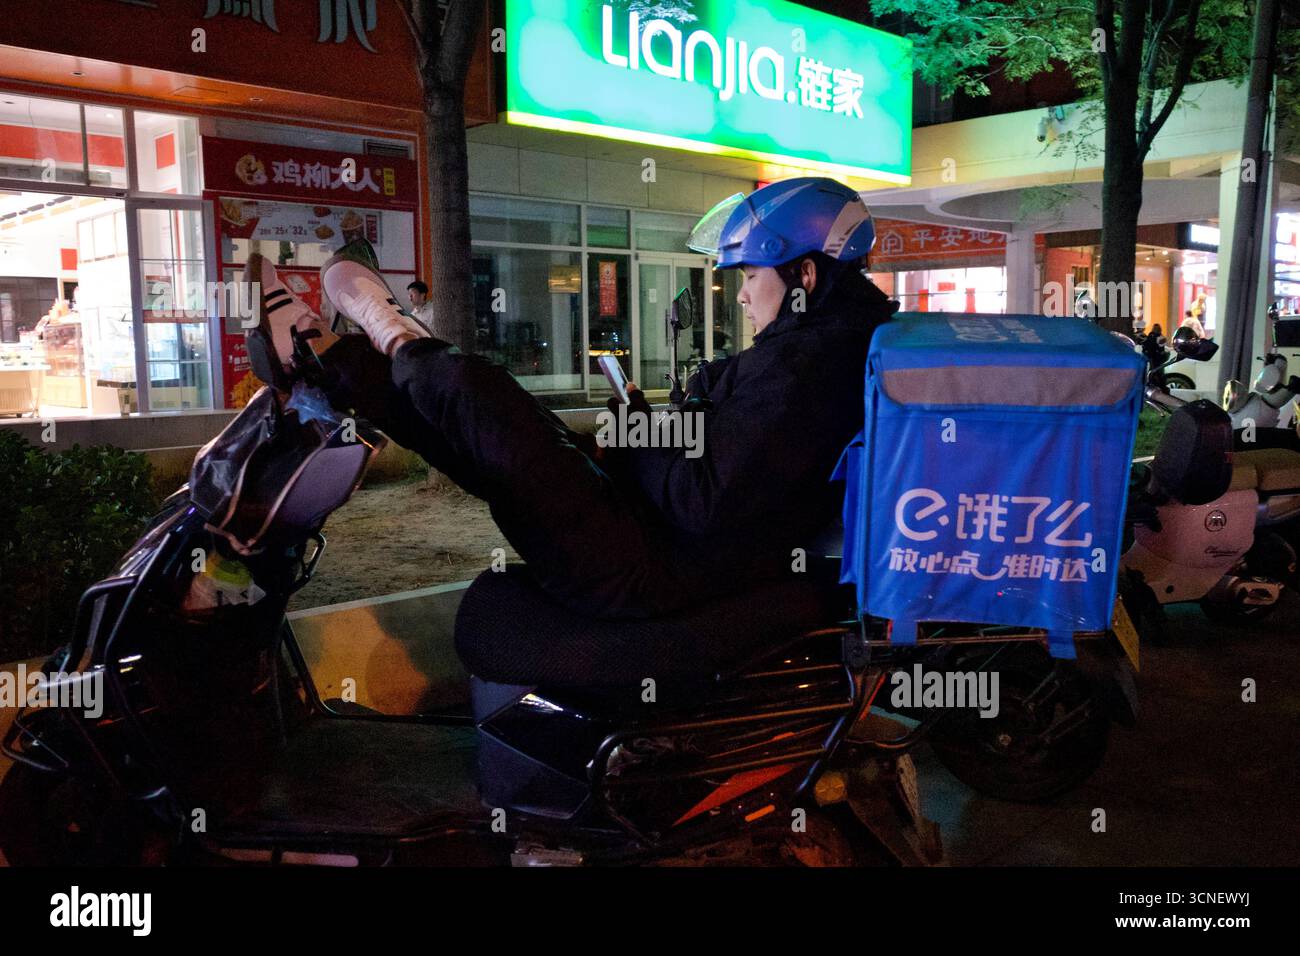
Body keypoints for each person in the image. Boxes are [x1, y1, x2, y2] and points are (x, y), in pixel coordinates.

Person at [244, 177, 896, 618]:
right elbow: (721, 450)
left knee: (494, 411)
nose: (744, 293)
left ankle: (384, 329)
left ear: (804, 274)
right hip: (650, 536)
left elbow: (705, 498)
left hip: (651, 563)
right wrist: (648, 425)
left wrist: (638, 429)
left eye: (751, 275)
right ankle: (326, 364)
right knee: (499, 437)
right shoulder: (815, 351)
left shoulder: (810, 368)